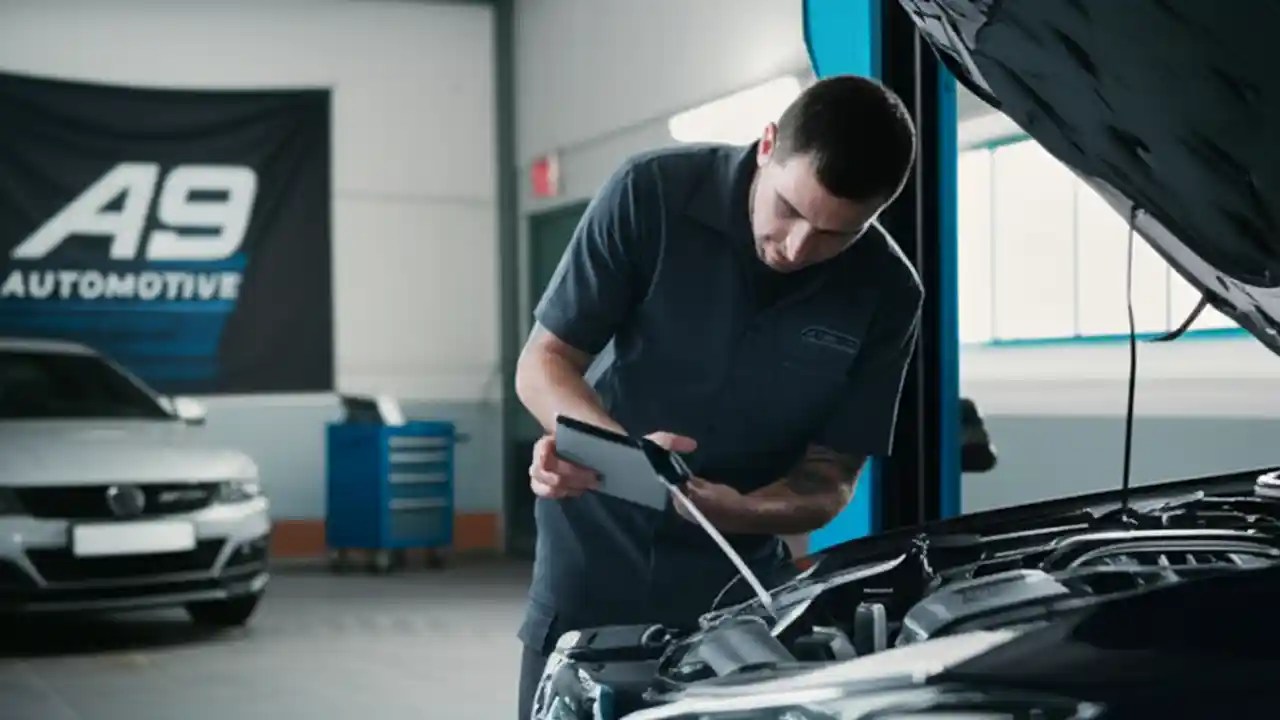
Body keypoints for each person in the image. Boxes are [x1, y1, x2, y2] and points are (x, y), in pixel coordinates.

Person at [513, 74, 922, 718]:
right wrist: (615, 454)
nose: (795, 249)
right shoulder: (651, 194)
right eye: (789, 209)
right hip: (592, 558)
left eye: (834, 235)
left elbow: (831, 479)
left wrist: (745, 511)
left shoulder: (889, 293)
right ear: (766, 147)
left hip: (737, 587)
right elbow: (544, 363)